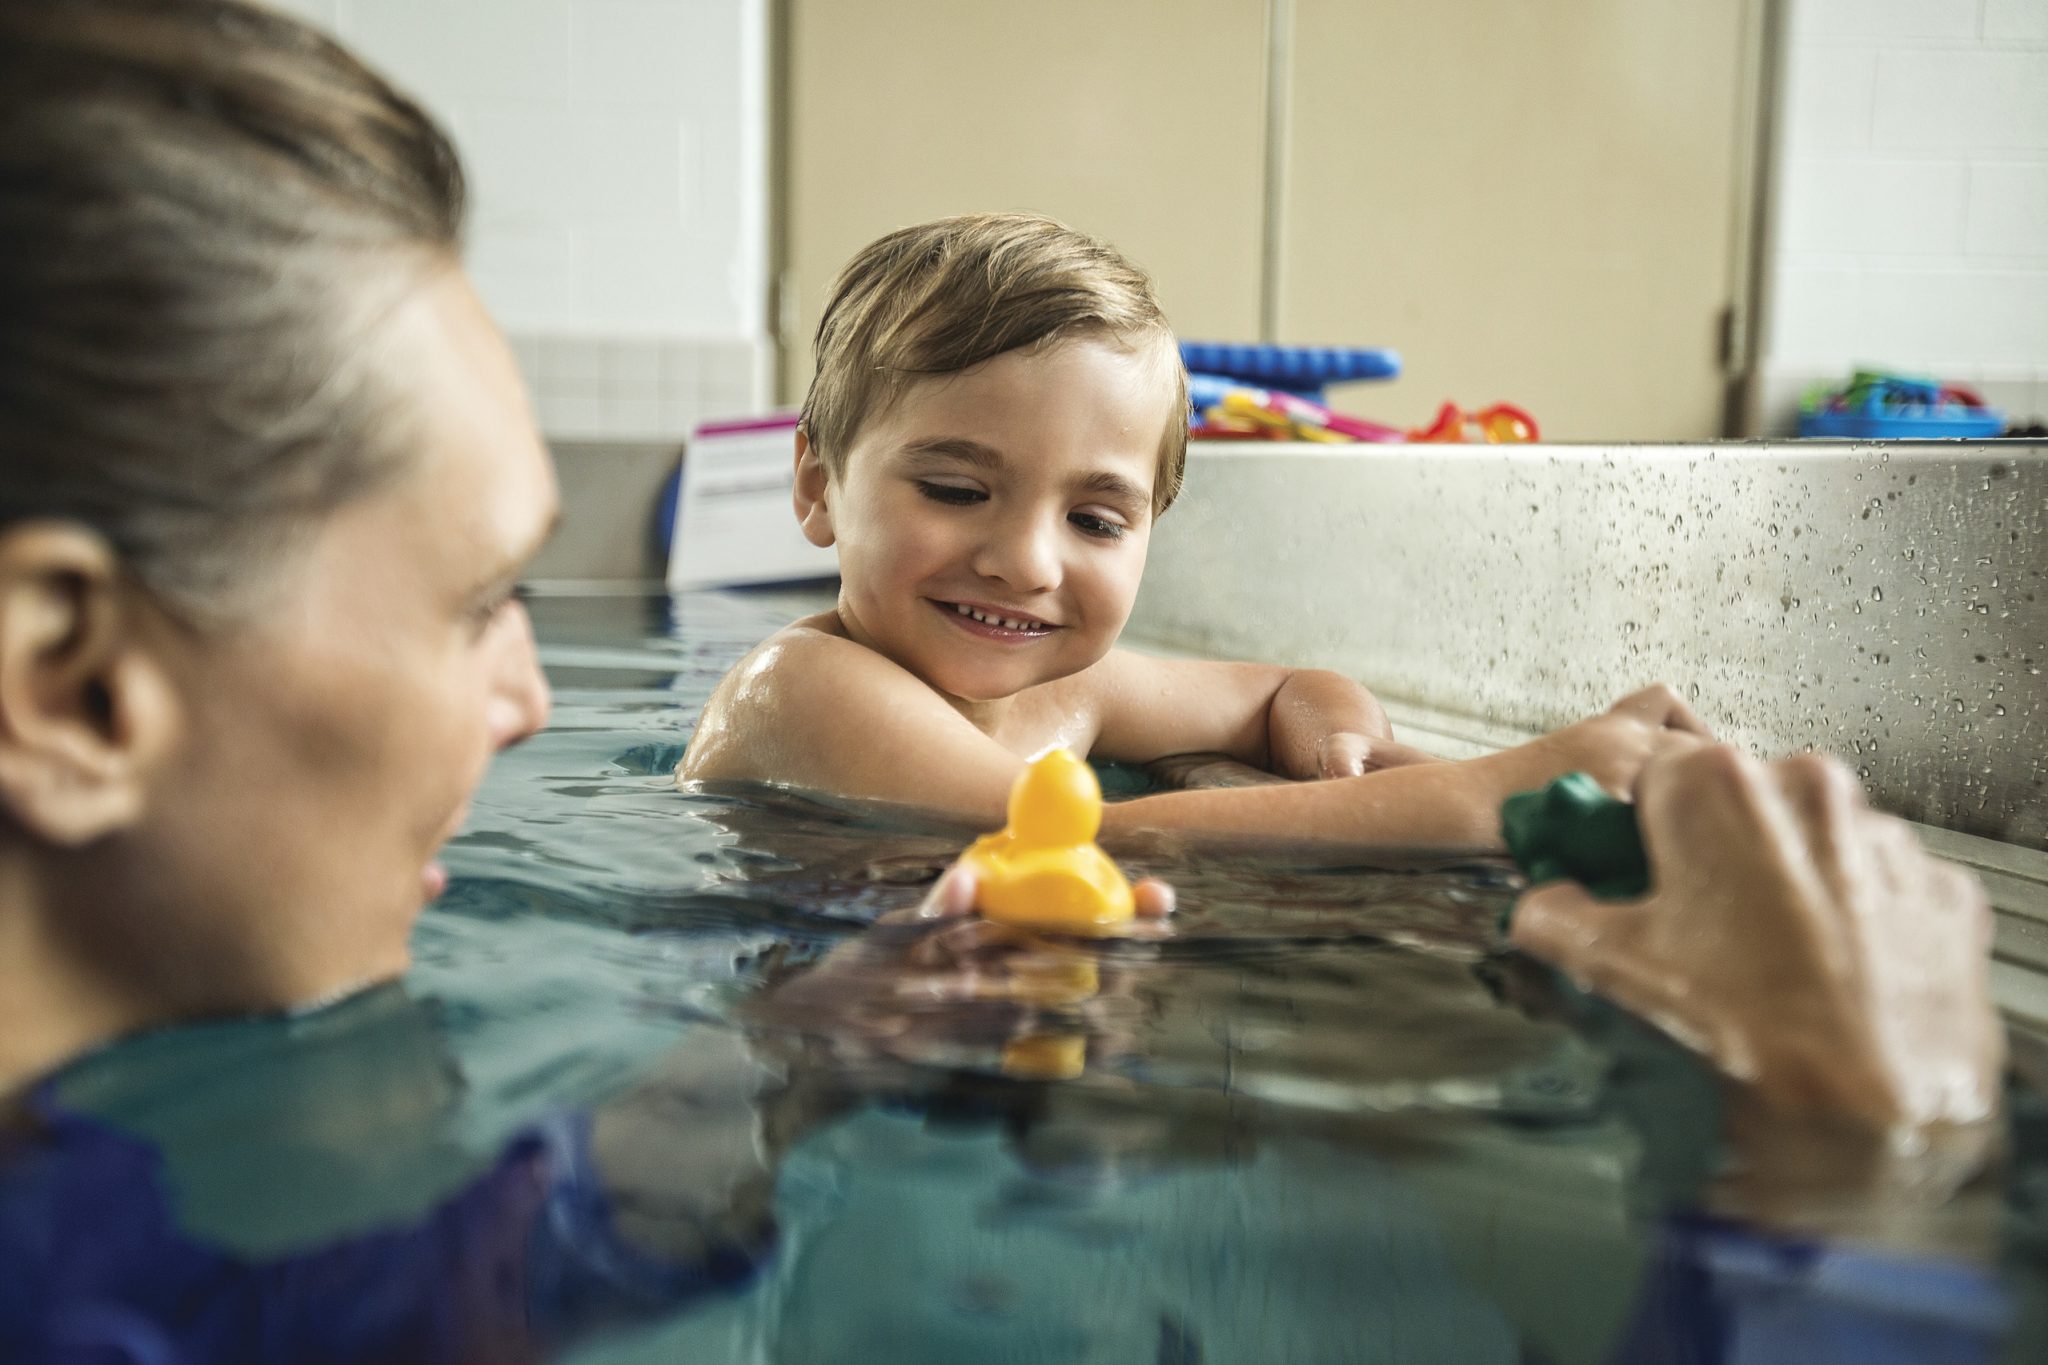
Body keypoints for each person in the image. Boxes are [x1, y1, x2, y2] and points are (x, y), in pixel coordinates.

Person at [679, 213, 1711, 846]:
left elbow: (1280, 688)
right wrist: (1484, 794)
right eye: (953, 490)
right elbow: (1071, 836)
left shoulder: (1070, 690)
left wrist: (1338, 747)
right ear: (816, 485)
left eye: (1092, 517)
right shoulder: (804, 689)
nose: (1026, 563)